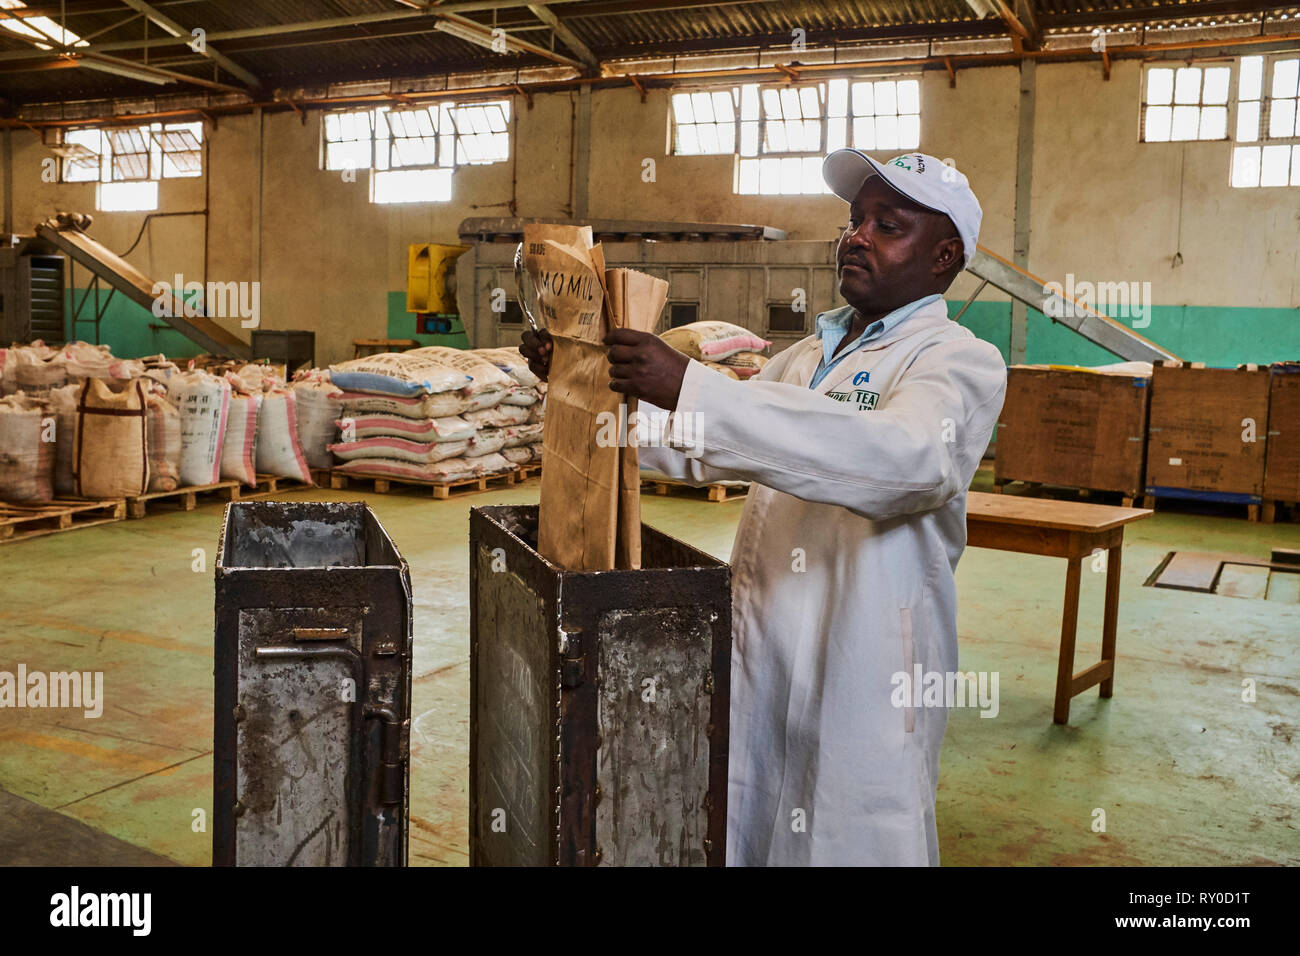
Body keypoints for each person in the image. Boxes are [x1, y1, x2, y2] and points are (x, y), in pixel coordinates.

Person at [521, 150, 1007, 866]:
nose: (857, 237)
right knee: (751, 823)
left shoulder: (956, 360)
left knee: (851, 833)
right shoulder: (807, 357)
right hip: (764, 637)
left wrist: (693, 385)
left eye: (887, 224)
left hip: (865, 659)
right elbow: (706, 445)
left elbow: (906, 460)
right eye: (854, 221)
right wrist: (580, 384)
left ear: (943, 257)